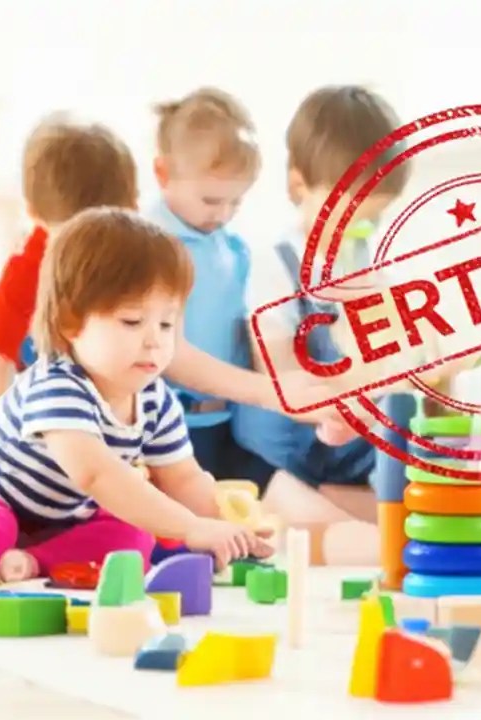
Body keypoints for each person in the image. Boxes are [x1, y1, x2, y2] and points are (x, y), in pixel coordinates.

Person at [0, 208, 272, 586]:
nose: (154, 340)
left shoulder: (155, 399)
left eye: (166, 323)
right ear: (70, 323)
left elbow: (183, 478)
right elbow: (95, 473)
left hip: (56, 522)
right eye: (131, 321)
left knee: (134, 536)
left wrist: (228, 529)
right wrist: (191, 527)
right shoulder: (57, 385)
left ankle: (28, 562)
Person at [236, 85, 474, 531]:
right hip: (287, 447)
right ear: (298, 185)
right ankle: (347, 518)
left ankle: (409, 508)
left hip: (351, 440)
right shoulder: (276, 267)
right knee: (308, 510)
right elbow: (281, 377)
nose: (358, 231)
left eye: (372, 219)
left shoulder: (369, 259)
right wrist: (338, 403)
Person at [143, 86, 307, 490]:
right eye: (212, 199)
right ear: (163, 174)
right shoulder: (151, 243)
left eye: (237, 202)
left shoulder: (233, 248)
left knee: (289, 508)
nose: (224, 214)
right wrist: (269, 391)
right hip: (162, 438)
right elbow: (170, 355)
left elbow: (248, 339)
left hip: (226, 427)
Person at [0, 113, 138, 434]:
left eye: (99, 237)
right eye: (71, 239)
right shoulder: (28, 270)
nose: (83, 253)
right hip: (2, 413)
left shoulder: (125, 258)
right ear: (34, 216)